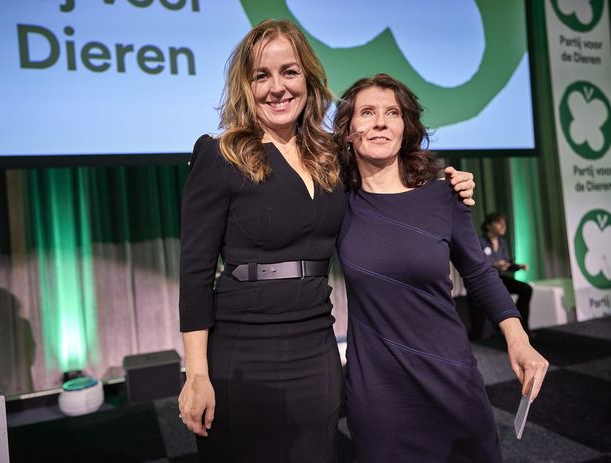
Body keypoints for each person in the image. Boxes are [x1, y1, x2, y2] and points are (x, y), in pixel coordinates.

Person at [177, 20, 476, 462]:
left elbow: (389, 177)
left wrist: (446, 183)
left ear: (308, 78)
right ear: (246, 85)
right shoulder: (221, 154)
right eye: (262, 75)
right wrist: (196, 372)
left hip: (316, 344)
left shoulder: (330, 155)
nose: (277, 88)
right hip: (244, 348)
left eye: (289, 72)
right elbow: (195, 271)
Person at [333, 73, 548, 462]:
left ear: (405, 127)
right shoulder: (336, 205)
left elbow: (480, 273)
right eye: (367, 112)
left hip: (451, 379)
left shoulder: (443, 196)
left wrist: (517, 339)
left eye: (392, 113)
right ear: (348, 131)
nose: (380, 121)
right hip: (379, 397)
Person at [480, 212, 533, 333]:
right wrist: (494, 264)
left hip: (501, 278)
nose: (503, 226)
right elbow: (476, 264)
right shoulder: (479, 241)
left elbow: (506, 265)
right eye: (499, 223)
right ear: (488, 225)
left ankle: (522, 327)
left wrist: (518, 266)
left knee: (526, 289)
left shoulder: (502, 242)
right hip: (486, 280)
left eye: (504, 223)